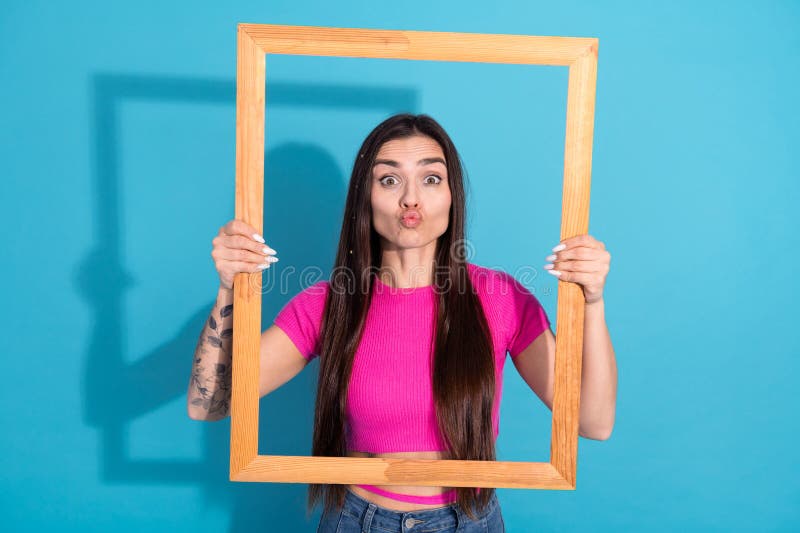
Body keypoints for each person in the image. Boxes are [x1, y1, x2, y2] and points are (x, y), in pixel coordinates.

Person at [187, 113, 617, 532]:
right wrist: (228, 287)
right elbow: (208, 404)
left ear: (452, 195)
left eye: (431, 178)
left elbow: (594, 420)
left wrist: (593, 300)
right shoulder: (329, 303)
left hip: (468, 521)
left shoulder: (501, 297)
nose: (411, 198)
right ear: (365, 198)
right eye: (389, 180)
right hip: (356, 521)